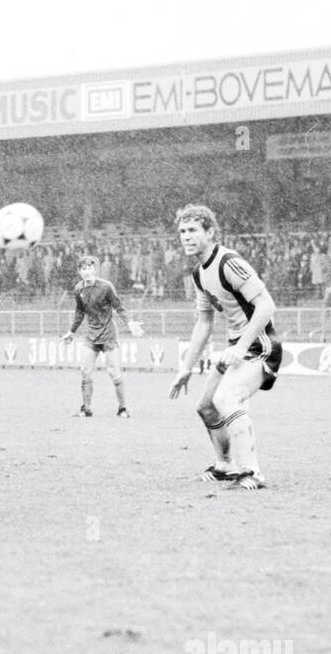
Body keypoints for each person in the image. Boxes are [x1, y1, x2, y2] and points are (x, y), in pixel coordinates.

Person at [168, 204, 281, 491]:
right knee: (206, 407)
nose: (186, 237)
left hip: (260, 345)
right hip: (236, 347)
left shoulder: (229, 262)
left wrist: (242, 346)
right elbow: (204, 323)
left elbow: (266, 305)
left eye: (193, 230)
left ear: (210, 232)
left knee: (227, 398)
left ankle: (253, 472)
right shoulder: (199, 274)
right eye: (182, 231)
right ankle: (225, 466)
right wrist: (185, 368)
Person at [59, 255, 142, 417]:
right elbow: (79, 312)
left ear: (95, 270)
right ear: (79, 271)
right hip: (91, 335)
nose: (87, 272)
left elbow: (119, 307)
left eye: (90, 268)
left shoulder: (106, 287)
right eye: (83, 269)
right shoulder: (78, 289)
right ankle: (86, 409)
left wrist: (130, 322)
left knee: (113, 372)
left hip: (108, 334)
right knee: (85, 370)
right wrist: (71, 332)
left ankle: (122, 408)